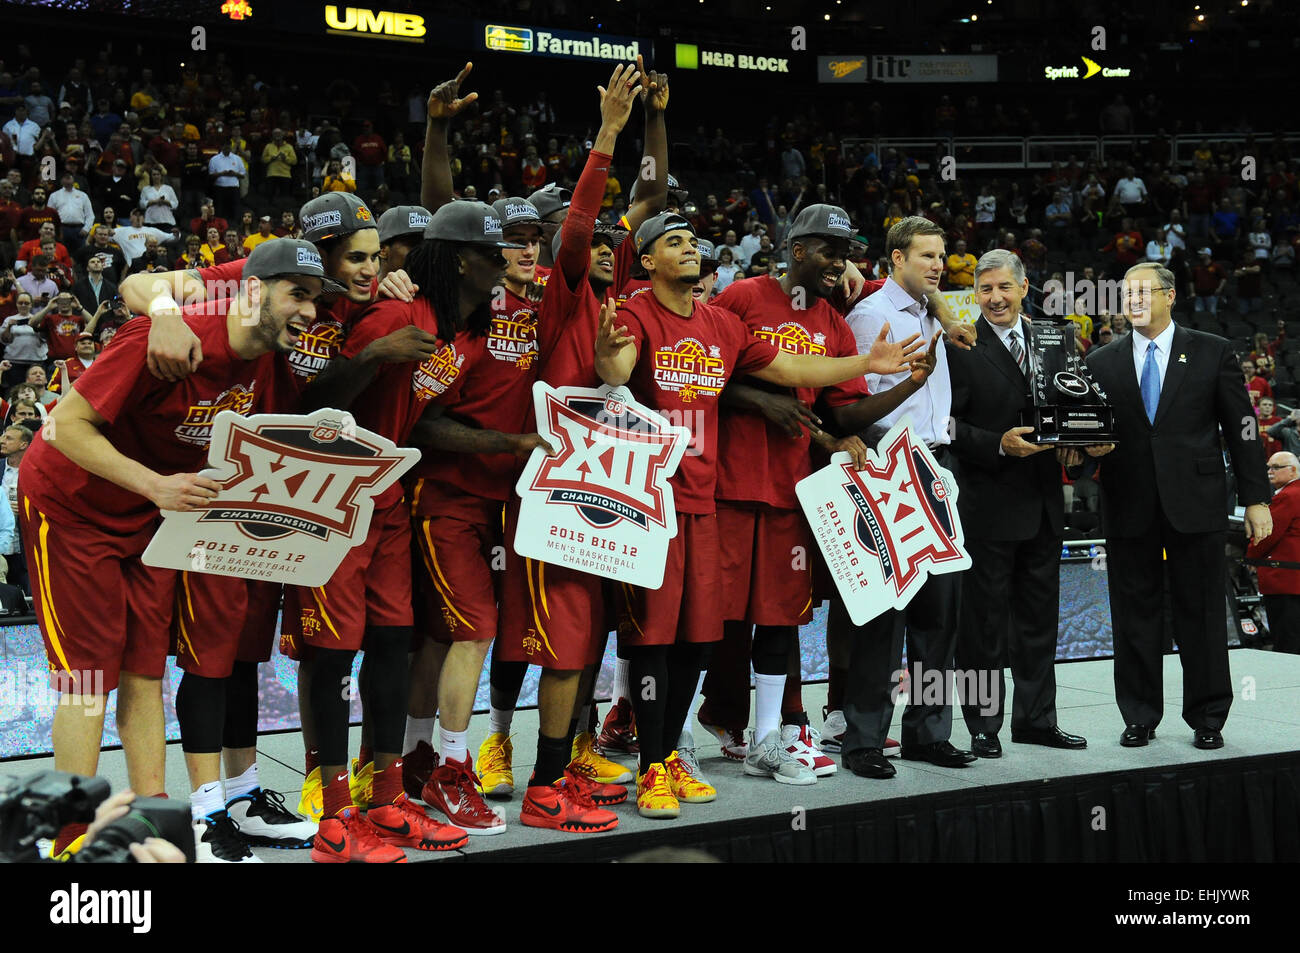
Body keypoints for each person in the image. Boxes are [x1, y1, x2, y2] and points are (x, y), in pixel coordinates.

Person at [594, 211, 924, 817]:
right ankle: (660, 753)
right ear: (644, 260)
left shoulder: (721, 323)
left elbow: (790, 371)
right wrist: (610, 356)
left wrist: (869, 368)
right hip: (658, 495)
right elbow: (614, 375)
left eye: (694, 240)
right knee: (655, 633)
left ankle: (674, 751)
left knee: (699, 634)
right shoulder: (647, 310)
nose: (691, 248)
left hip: (716, 497)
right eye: (676, 241)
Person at [15, 239, 330, 858]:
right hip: (72, 506)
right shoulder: (170, 338)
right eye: (298, 295)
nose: (311, 313)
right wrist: (157, 484)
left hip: (152, 514)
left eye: (316, 300)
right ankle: (69, 841)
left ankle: (154, 825)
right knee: (85, 680)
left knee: (144, 673)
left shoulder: (268, 364)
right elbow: (63, 426)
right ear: (254, 290)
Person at [1083, 262, 1271, 749]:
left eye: (1145, 291)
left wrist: (1255, 499)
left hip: (1198, 505)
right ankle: (1139, 716)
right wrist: (1084, 455)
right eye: (1127, 293)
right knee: (1133, 615)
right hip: (1129, 505)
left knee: (1203, 613)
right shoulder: (1100, 361)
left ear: (1170, 296)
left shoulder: (1213, 351)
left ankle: (1208, 718)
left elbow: (1242, 431)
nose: (1135, 299)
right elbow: (1088, 437)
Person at [837, 216, 975, 779]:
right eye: (926, 256)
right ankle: (865, 738)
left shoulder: (934, 313)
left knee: (938, 616)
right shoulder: (871, 316)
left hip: (939, 468)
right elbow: (855, 399)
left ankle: (927, 733)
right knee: (882, 615)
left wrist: (943, 304)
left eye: (941, 256)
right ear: (895, 259)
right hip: (887, 467)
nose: (938, 265)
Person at [947, 249, 1097, 758]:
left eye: (1004, 287)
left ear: (1024, 286)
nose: (995, 298)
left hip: (1044, 502)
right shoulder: (958, 345)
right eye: (985, 289)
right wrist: (996, 443)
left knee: (1039, 620)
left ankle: (1035, 720)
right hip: (985, 504)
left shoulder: (1055, 341)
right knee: (982, 625)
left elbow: (1073, 409)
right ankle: (982, 726)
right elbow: (945, 427)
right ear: (974, 295)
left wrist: (1078, 448)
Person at [1247, 452, 1300, 655]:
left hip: (1285, 581)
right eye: (1268, 467)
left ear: (1293, 470)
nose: (1270, 472)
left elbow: (1266, 534)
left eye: (1276, 467)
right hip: (1294, 581)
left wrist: (1251, 555)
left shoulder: (1288, 495)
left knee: (1287, 644)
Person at [0, 423, 29, 595]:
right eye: (3, 436)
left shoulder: (34, 469)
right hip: (3, 546)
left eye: (9, 438)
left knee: (28, 599)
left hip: (24, 546)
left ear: (23, 444)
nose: (2, 441)